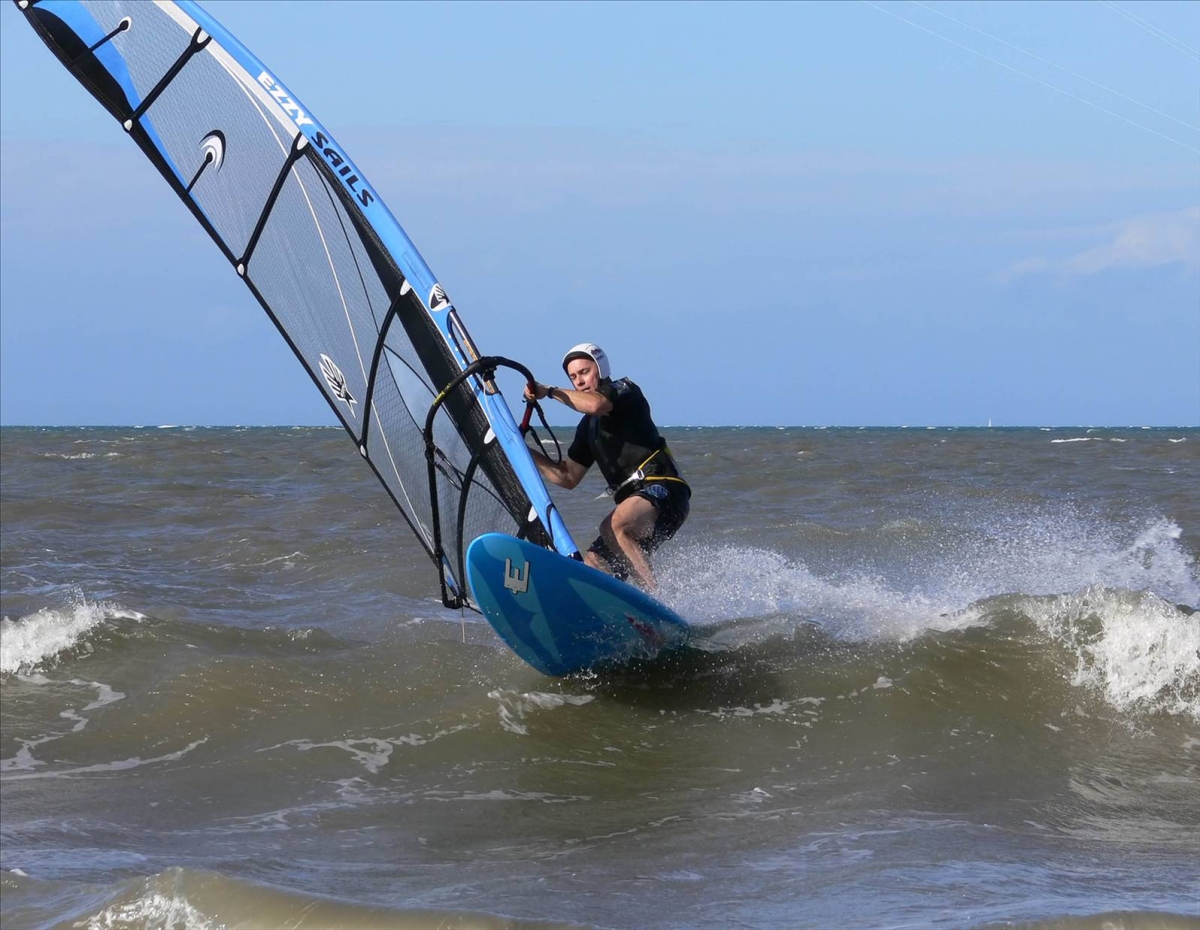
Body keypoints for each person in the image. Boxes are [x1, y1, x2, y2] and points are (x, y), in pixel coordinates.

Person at [523, 343, 690, 592]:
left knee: (615, 525)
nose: (578, 381)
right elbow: (567, 477)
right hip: (637, 505)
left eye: (584, 372)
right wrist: (523, 449)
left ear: (600, 368)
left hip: (664, 489)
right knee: (592, 565)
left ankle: (657, 600)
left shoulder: (625, 390)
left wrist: (549, 391)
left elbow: (595, 404)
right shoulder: (588, 428)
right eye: (573, 377)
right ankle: (614, 616)